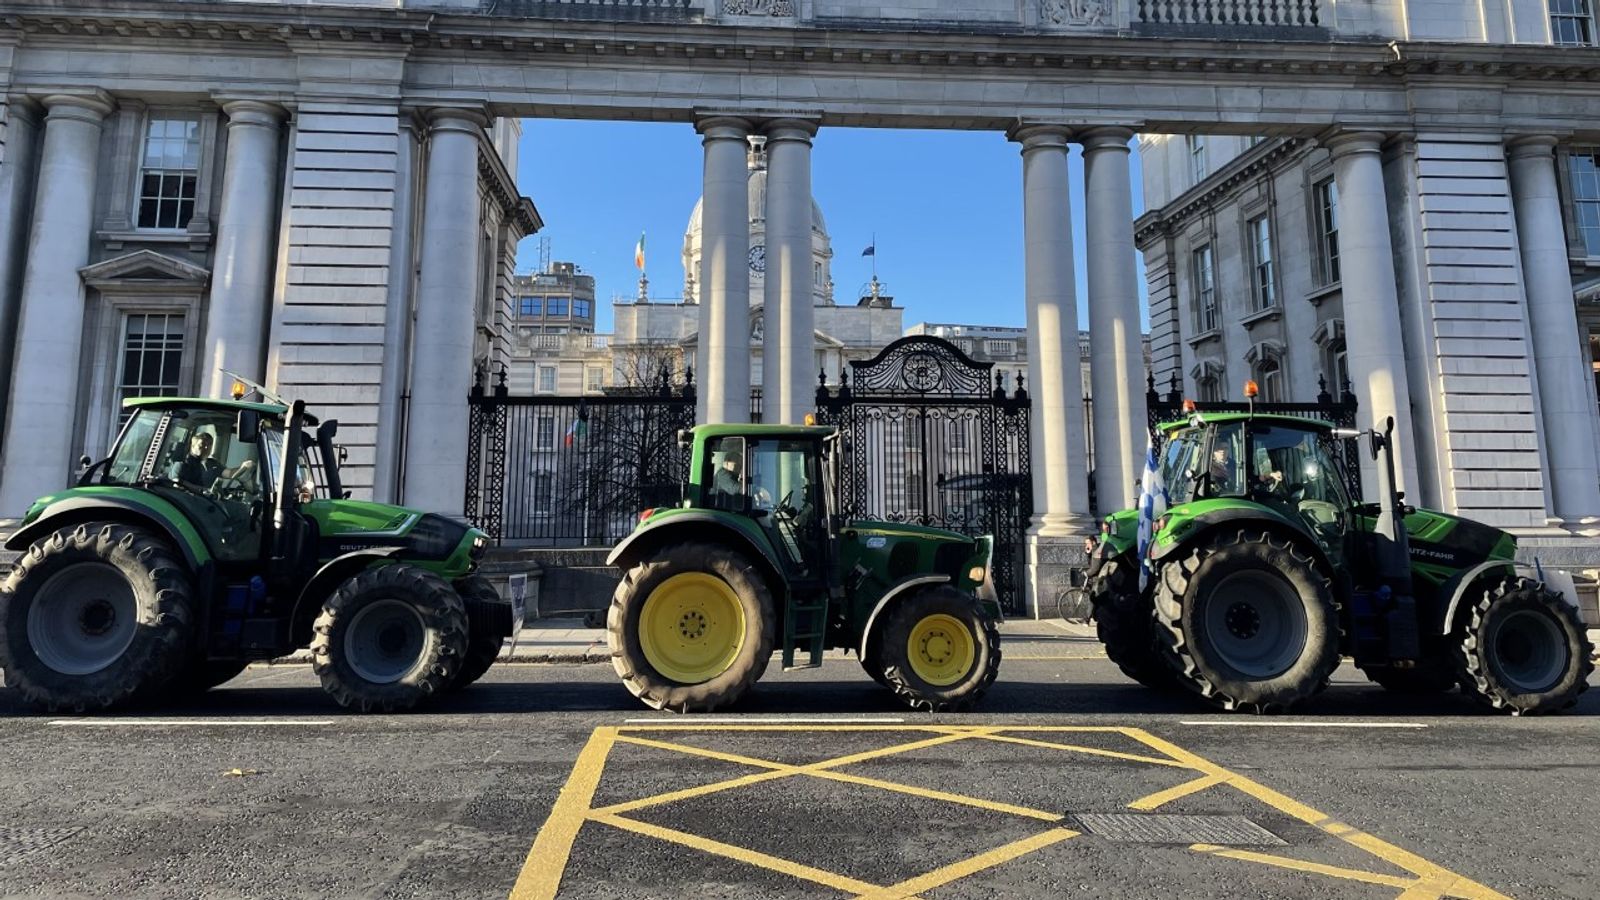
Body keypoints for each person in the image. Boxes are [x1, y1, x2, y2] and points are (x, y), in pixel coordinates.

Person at [171, 431, 253, 492]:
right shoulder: (182, 464)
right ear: (193, 446)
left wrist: (244, 467)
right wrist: (205, 490)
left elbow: (230, 474)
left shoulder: (213, 464)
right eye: (202, 444)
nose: (206, 447)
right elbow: (177, 484)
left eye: (209, 444)